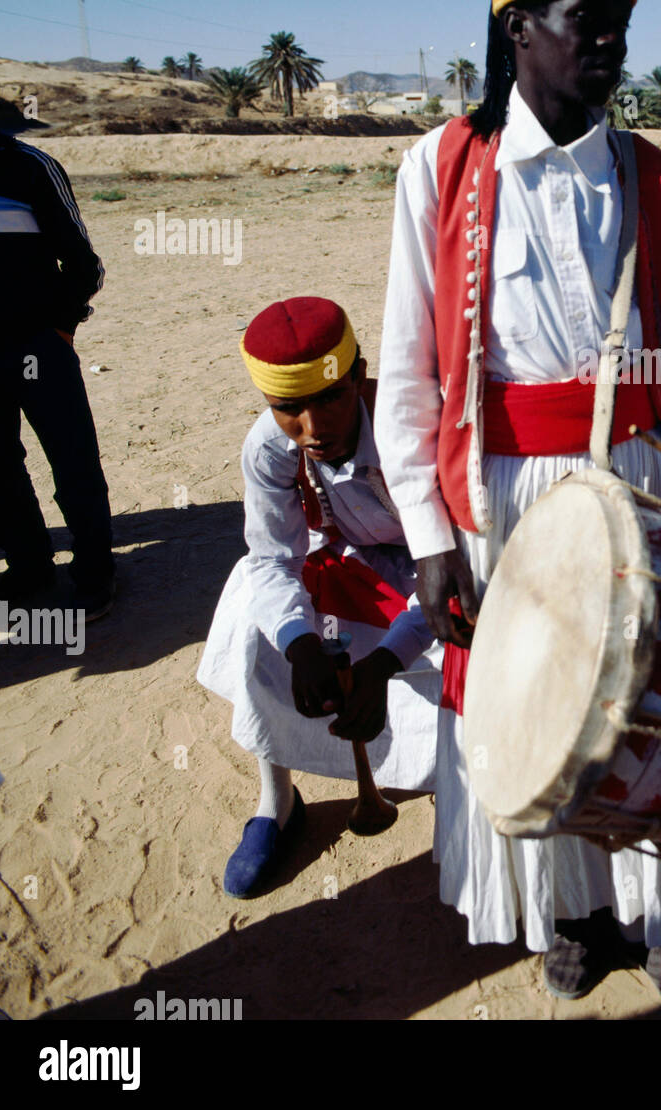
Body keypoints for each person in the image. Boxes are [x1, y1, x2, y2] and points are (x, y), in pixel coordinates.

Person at [375, 0, 661, 1005]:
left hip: (640, 487)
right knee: (539, 712)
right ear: (517, 32)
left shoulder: (650, 175)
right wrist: (426, 538)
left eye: (620, 24)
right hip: (502, 506)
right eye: (582, 21)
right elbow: (409, 371)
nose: (608, 42)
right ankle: (578, 913)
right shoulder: (441, 167)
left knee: (657, 711)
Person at [198, 297, 441, 898]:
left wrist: (386, 662)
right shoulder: (269, 448)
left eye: (330, 398)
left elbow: (460, 560)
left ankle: (462, 786)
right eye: (288, 409)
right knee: (250, 611)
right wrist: (299, 642)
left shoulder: (414, 426)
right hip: (348, 559)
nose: (314, 427)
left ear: (358, 376)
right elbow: (273, 556)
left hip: (440, 569)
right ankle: (277, 803)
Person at [0, 41, 115, 617]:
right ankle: (30, 567)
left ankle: (95, 575)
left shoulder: (29, 168)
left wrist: (60, 329)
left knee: (73, 464)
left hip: (37, 347)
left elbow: (84, 265)